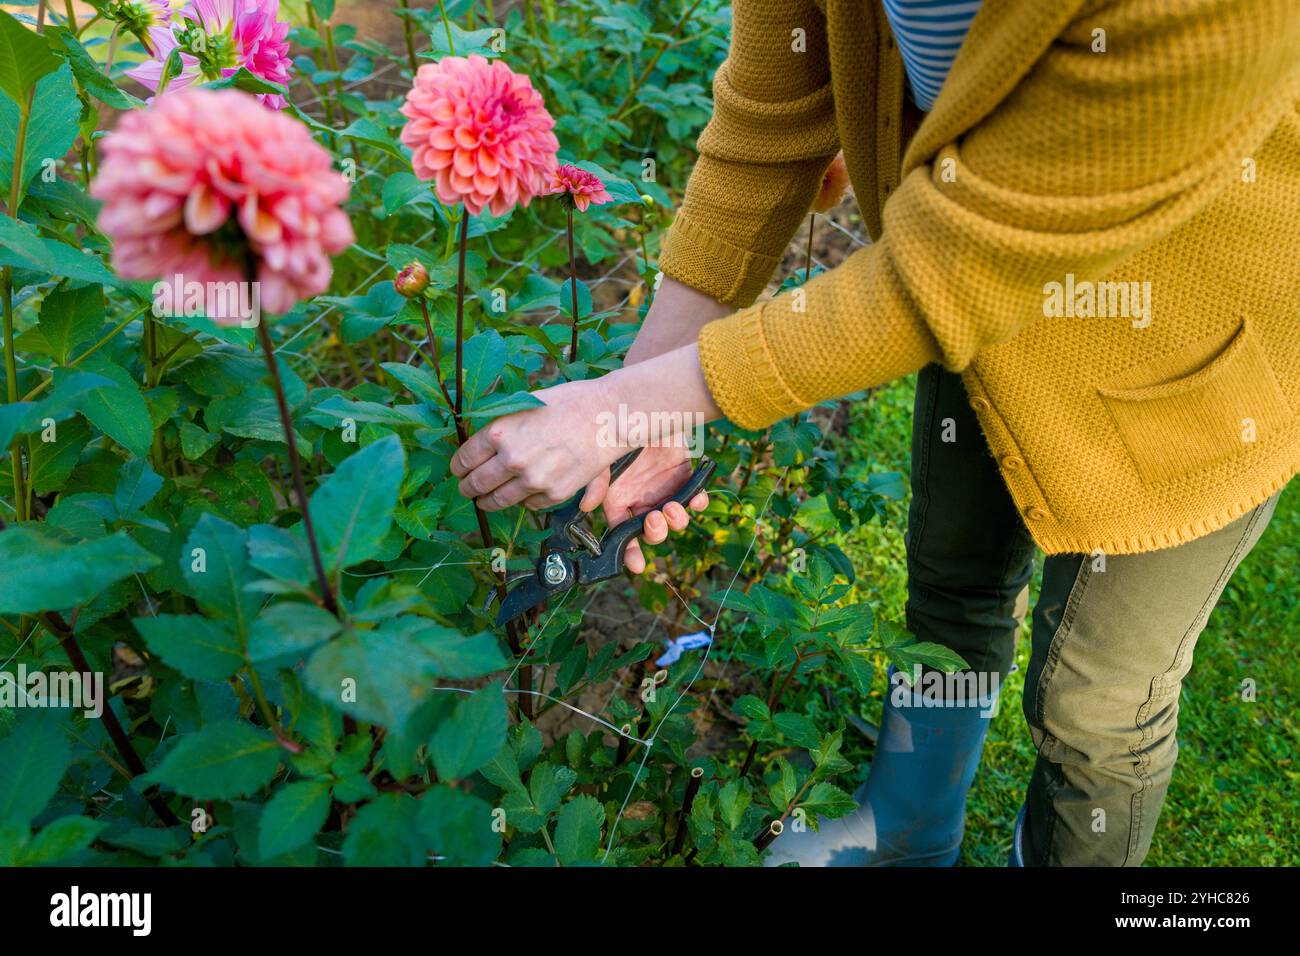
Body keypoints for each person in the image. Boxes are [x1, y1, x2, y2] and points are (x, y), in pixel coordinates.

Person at [450, 0, 1300, 866]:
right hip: (974, 331)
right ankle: (907, 831)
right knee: (950, 593)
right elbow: (768, 118)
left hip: (1189, 362)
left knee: (1099, 704)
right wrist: (645, 408)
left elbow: (951, 274)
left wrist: (618, 409)